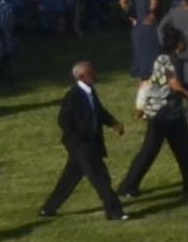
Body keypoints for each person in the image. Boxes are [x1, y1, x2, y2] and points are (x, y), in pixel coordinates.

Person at [119, 53, 188, 208]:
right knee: (150, 150)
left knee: (184, 147)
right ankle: (128, 187)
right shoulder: (167, 60)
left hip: (174, 113)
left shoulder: (169, 59)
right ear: (178, 43)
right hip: (160, 114)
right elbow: (177, 88)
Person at [39, 57, 128, 223]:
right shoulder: (73, 96)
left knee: (70, 178)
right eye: (91, 72)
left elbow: (98, 111)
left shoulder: (90, 91)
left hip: (89, 143)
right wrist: (78, 139)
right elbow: (63, 121)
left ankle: (48, 209)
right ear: (81, 76)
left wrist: (113, 123)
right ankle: (115, 212)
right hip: (83, 145)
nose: (95, 74)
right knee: (101, 178)